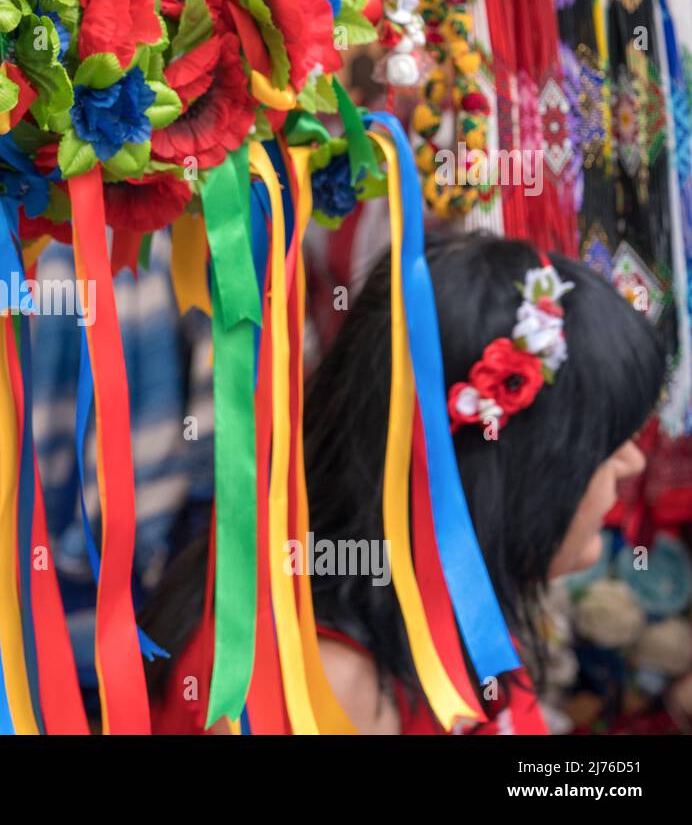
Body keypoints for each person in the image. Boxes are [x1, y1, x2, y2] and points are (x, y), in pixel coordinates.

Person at [141, 234, 664, 734]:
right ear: (508, 472)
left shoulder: (438, 602)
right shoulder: (329, 690)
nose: (634, 463)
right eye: (606, 444)